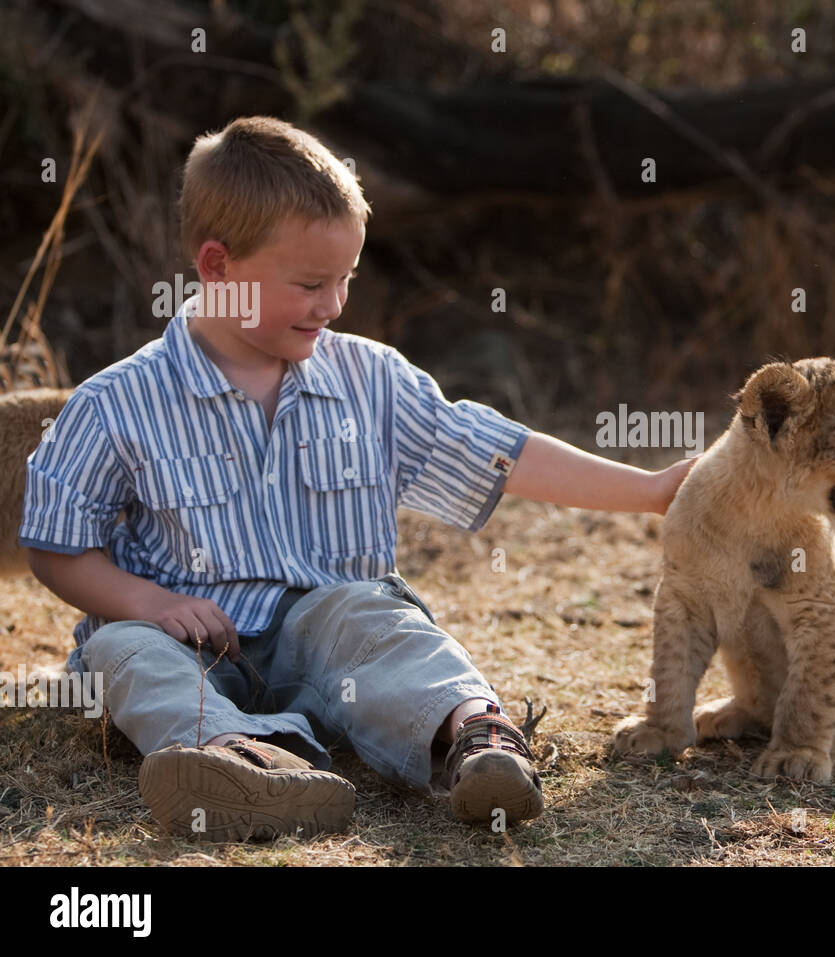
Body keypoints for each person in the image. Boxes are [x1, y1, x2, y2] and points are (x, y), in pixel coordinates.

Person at [19, 116, 694, 842]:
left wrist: (650, 490)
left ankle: (475, 737)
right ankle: (237, 761)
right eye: (310, 283)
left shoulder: (369, 380)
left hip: (335, 641)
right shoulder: (119, 401)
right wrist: (144, 600)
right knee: (120, 650)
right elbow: (56, 543)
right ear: (216, 267)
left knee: (380, 619)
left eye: (346, 279)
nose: (334, 304)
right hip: (191, 644)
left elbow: (500, 453)